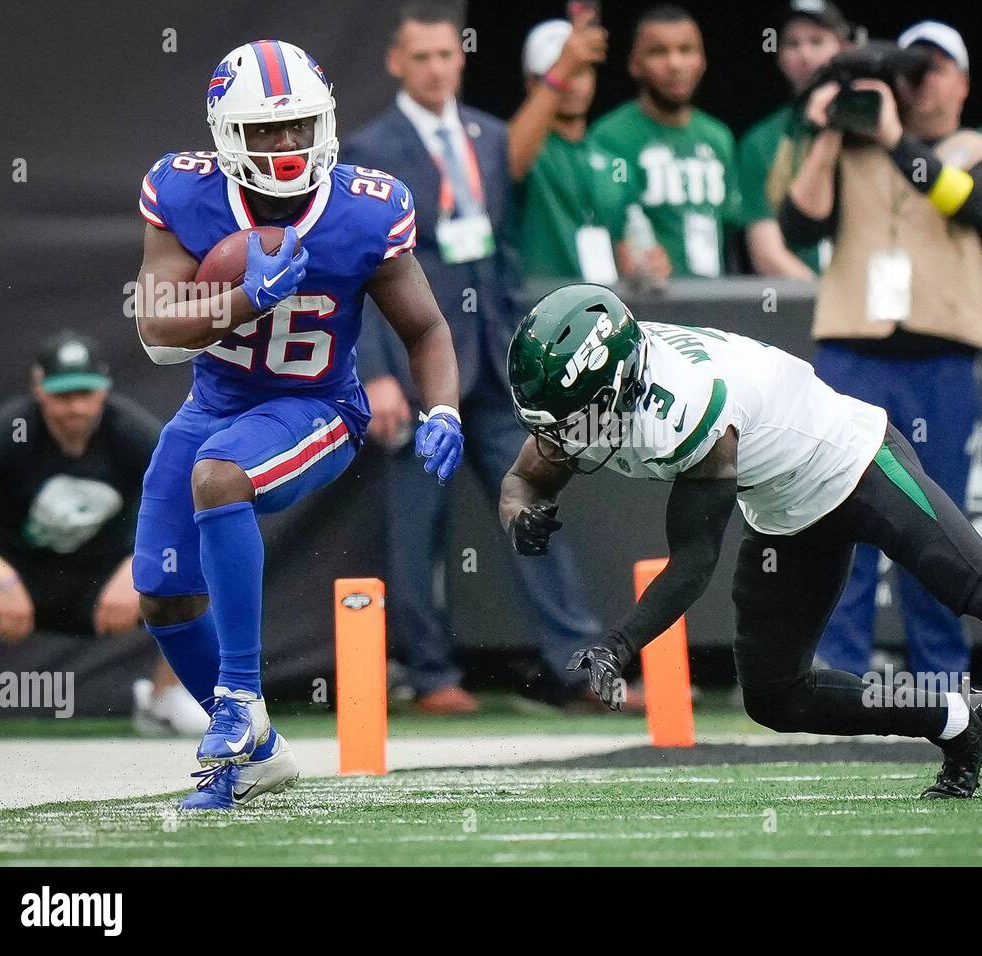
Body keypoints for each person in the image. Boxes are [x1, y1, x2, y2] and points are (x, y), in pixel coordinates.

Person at [498, 283, 982, 800]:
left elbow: (694, 559)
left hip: (856, 459)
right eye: (553, 420)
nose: (560, 438)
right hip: (787, 508)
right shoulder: (590, 403)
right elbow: (526, 478)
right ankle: (957, 717)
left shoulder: (688, 406)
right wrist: (520, 512)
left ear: (623, 383)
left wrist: (620, 645)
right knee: (775, 696)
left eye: (574, 416)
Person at [133, 39, 464, 809]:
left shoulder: (365, 207)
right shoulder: (184, 192)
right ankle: (261, 756)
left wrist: (441, 407)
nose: (287, 144)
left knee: (220, 474)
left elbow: (426, 329)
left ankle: (240, 706)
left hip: (319, 407)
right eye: (266, 130)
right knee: (163, 593)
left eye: (300, 126)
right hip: (215, 403)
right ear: (225, 134)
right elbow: (153, 326)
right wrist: (243, 301)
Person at [341, 2, 613, 714]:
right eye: (421, 57)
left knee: (534, 505)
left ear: (461, 58)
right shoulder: (369, 147)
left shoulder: (487, 135)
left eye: (446, 55)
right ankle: (429, 675)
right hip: (418, 365)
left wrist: (562, 72)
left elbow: (501, 226)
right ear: (397, 63)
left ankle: (578, 668)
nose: (436, 68)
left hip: (494, 362)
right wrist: (373, 372)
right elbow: (358, 271)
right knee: (416, 528)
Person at [779, 21, 982, 682]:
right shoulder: (852, 146)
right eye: (909, 71)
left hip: (940, 360)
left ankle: (943, 675)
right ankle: (837, 671)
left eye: (934, 68)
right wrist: (829, 130)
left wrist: (891, 137)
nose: (920, 82)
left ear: (963, 81)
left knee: (937, 523)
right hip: (854, 353)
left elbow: (978, 210)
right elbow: (798, 223)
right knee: (839, 512)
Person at [0, 333, 204, 736]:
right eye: (63, 396)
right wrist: (0, 577)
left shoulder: (131, 431)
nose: (75, 407)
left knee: (199, 566)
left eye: (85, 393)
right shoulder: (11, 430)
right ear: (39, 390)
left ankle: (163, 698)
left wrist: (137, 566)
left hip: (103, 582)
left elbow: (186, 510)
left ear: (104, 390)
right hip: (13, 578)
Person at [588, 5, 743, 278]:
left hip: (715, 300)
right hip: (644, 303)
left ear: (702, 60)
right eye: (658, 52)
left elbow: (731, 231)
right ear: (634, 64)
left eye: (686, 50)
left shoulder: (719, 137)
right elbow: (603, 224)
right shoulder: (609, 136)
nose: (674, 64)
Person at [739, 1, 852, 277]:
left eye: (817, 41)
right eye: (792, 44)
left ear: (844, 48)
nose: (804, 55)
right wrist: (824, 301)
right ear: (778, 55)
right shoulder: (761, 141)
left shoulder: (872, 125)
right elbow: (767, 253)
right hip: (801, 305)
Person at [508, 12, 625, 281]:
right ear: (531, 84)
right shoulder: (526, 149)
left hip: (603, 304)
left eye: (580, 71)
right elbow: (511, 160)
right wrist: (563, 67)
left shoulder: (608, 154)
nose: (572, 83)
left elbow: (622, 236)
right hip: (538, 307)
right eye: (560, 72)